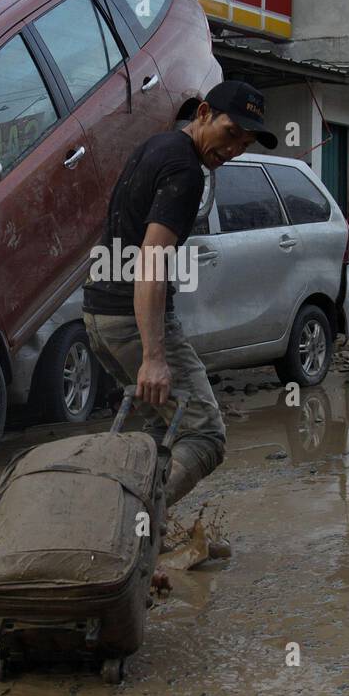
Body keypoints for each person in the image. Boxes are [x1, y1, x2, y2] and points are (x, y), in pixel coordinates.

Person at [82, 81, 276, 507]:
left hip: (100, 315)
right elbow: (151, 259)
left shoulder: (157, 146)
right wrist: (154, 356)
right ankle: (129, 530)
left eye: (244, 144)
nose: (233, 150)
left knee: (159, 428)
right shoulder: (186, 172)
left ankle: (135, 532)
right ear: (203, 113)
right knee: (204, 434)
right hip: (133, 322)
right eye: (230, 135)